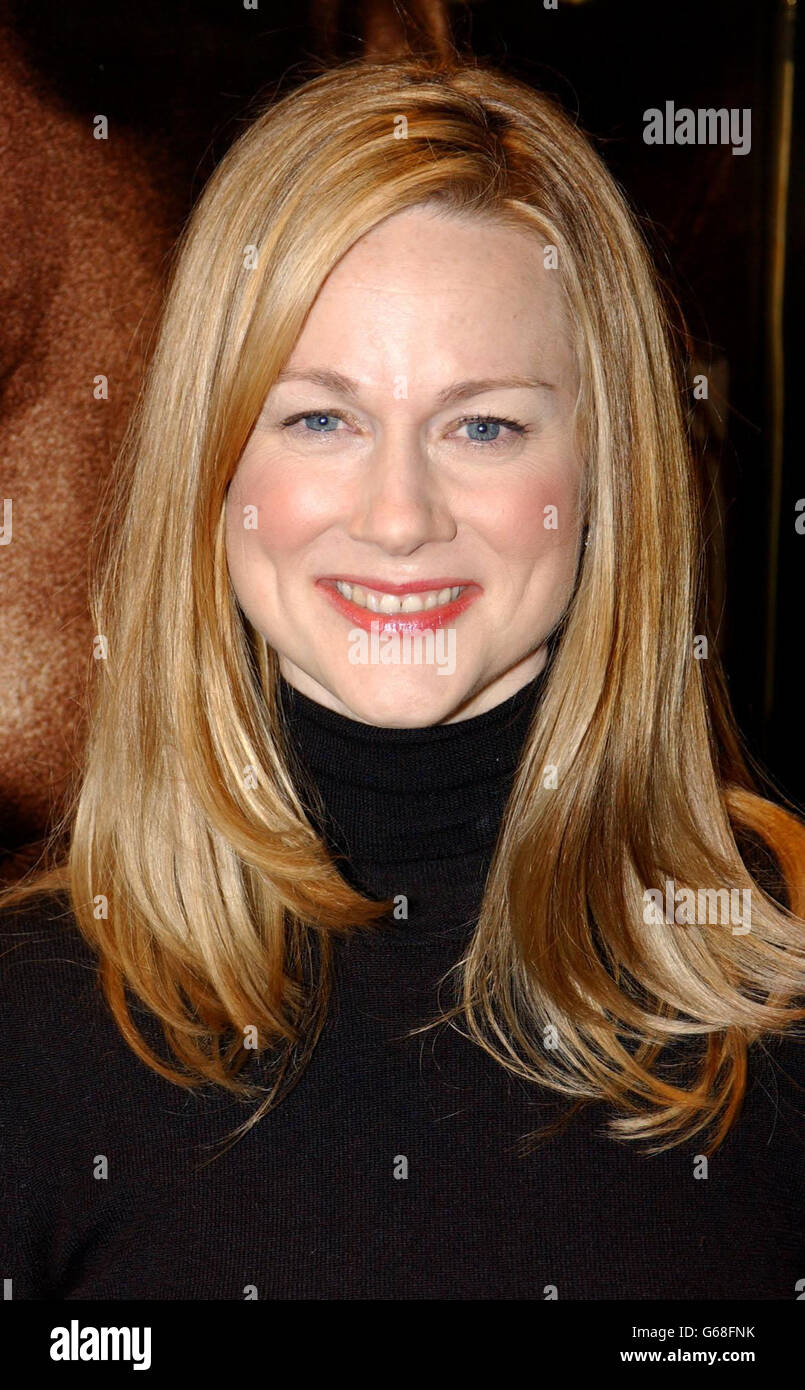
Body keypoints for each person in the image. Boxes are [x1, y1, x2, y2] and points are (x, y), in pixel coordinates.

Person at [1, 53, 804, 1302]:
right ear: (211, 469)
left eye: (483, 425)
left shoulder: (781, 983)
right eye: (317, 418)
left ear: (603, 481)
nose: (396, 515)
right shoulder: (30, 1026)